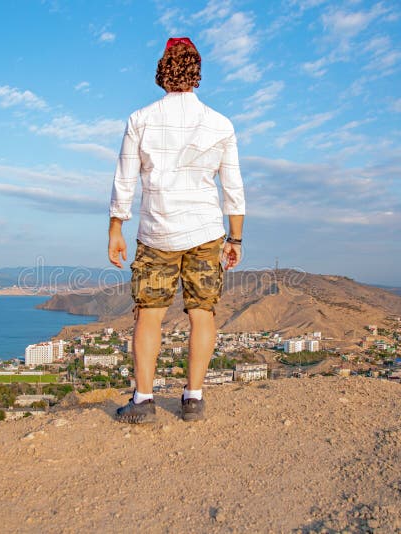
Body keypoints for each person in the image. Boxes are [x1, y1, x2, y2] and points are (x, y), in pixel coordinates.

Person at [107, 36, 245, 423]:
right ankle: (193, 399)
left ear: (162, 71)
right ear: (197, 71)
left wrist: (116, 228)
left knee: (148, 314)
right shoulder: (220, 124)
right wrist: (235, 237)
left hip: (157, 232)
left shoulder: (140, 119)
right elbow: (233, 187)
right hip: (206, 232)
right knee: (203, 313)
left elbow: (124, 180)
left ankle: (143, 402)